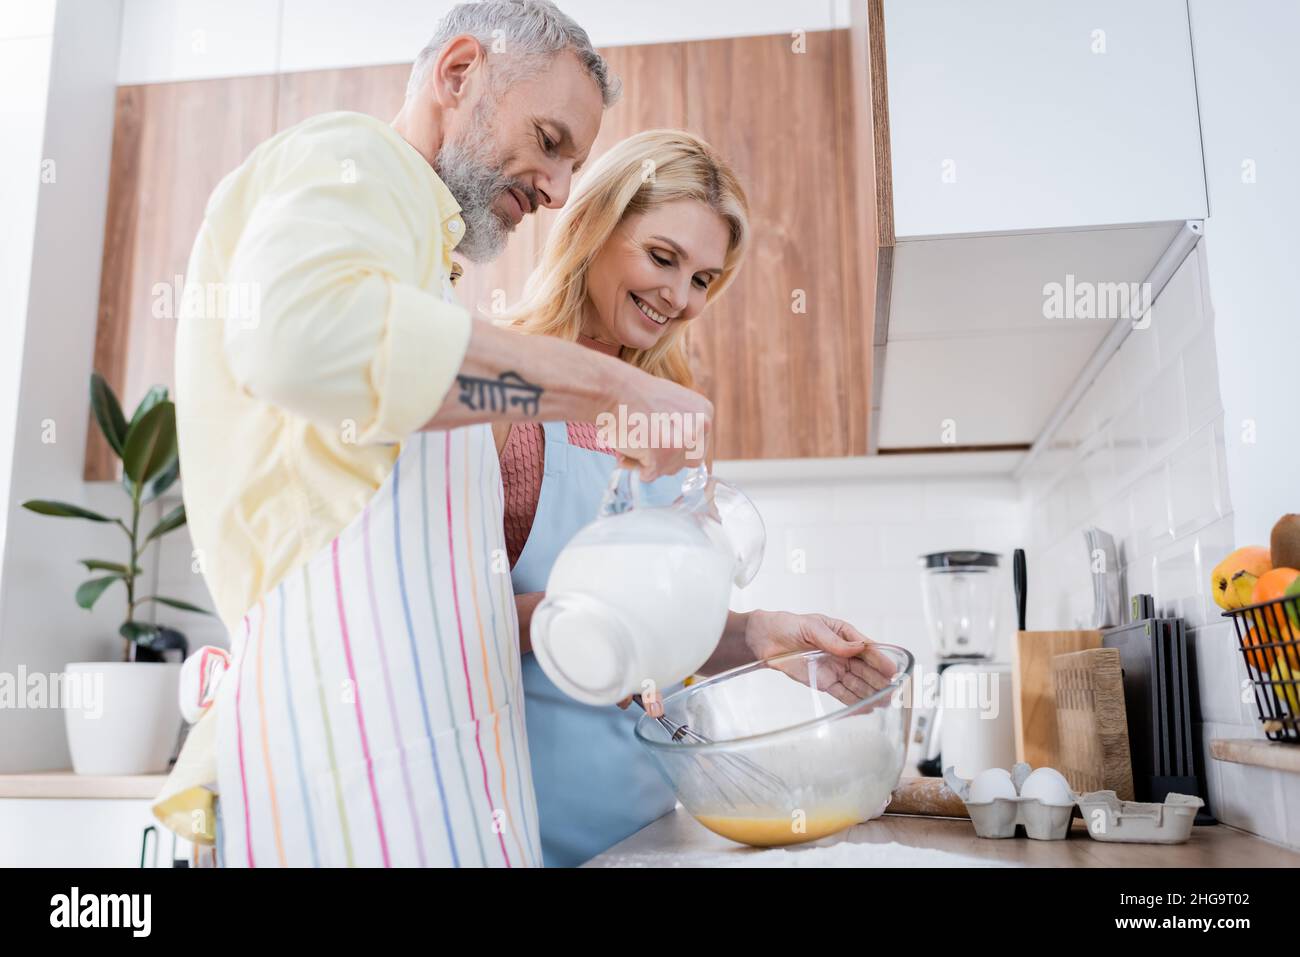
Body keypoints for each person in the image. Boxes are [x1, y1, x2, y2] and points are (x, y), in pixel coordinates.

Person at [153, 0, 711, 867]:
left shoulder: (423, 271)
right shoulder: (350, 159)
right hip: (340, 774)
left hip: (415, 781)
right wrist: (606, 386)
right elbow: (302, 333)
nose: (559, 189)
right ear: (459, 74)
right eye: (551, 139)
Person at [494, 130, 889, 867]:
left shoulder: (674, 417)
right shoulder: (502, 387)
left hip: (645, 830)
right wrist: (590, 627)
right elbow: (442, 613)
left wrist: (765, 633)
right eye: (662, 257)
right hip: (517, 825)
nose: (679, 298)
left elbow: (673, 629)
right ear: (592, 228)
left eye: (705, 279)